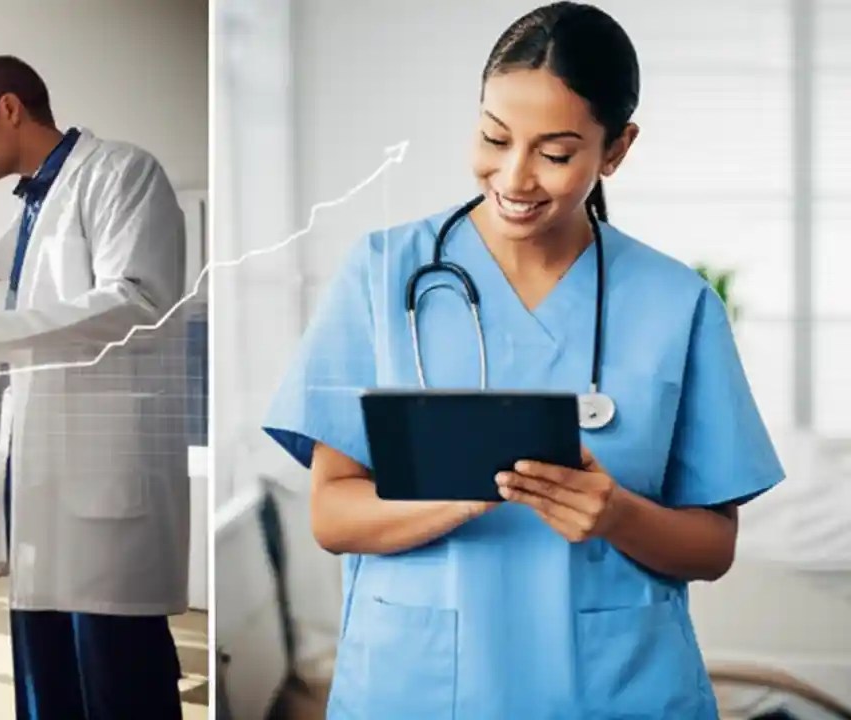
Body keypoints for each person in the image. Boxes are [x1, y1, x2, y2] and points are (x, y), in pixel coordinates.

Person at [261, 3, 784, 718]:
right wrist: (464, 490)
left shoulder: (675, 303)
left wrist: (617, 514)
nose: (514, 176)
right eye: (493, 137)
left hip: (612, 690)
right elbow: (332, 513)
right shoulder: (383, 274)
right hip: (421, 687)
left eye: (557, 153)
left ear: (616, 150)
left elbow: (713, 546)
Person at [0, 56, 189, 719]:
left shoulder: (121, 172)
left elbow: (140, 303)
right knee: (46, 679)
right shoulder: (37, 203)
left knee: (116, 680)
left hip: (100, 475)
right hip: (42, 476)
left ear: (10, 109)